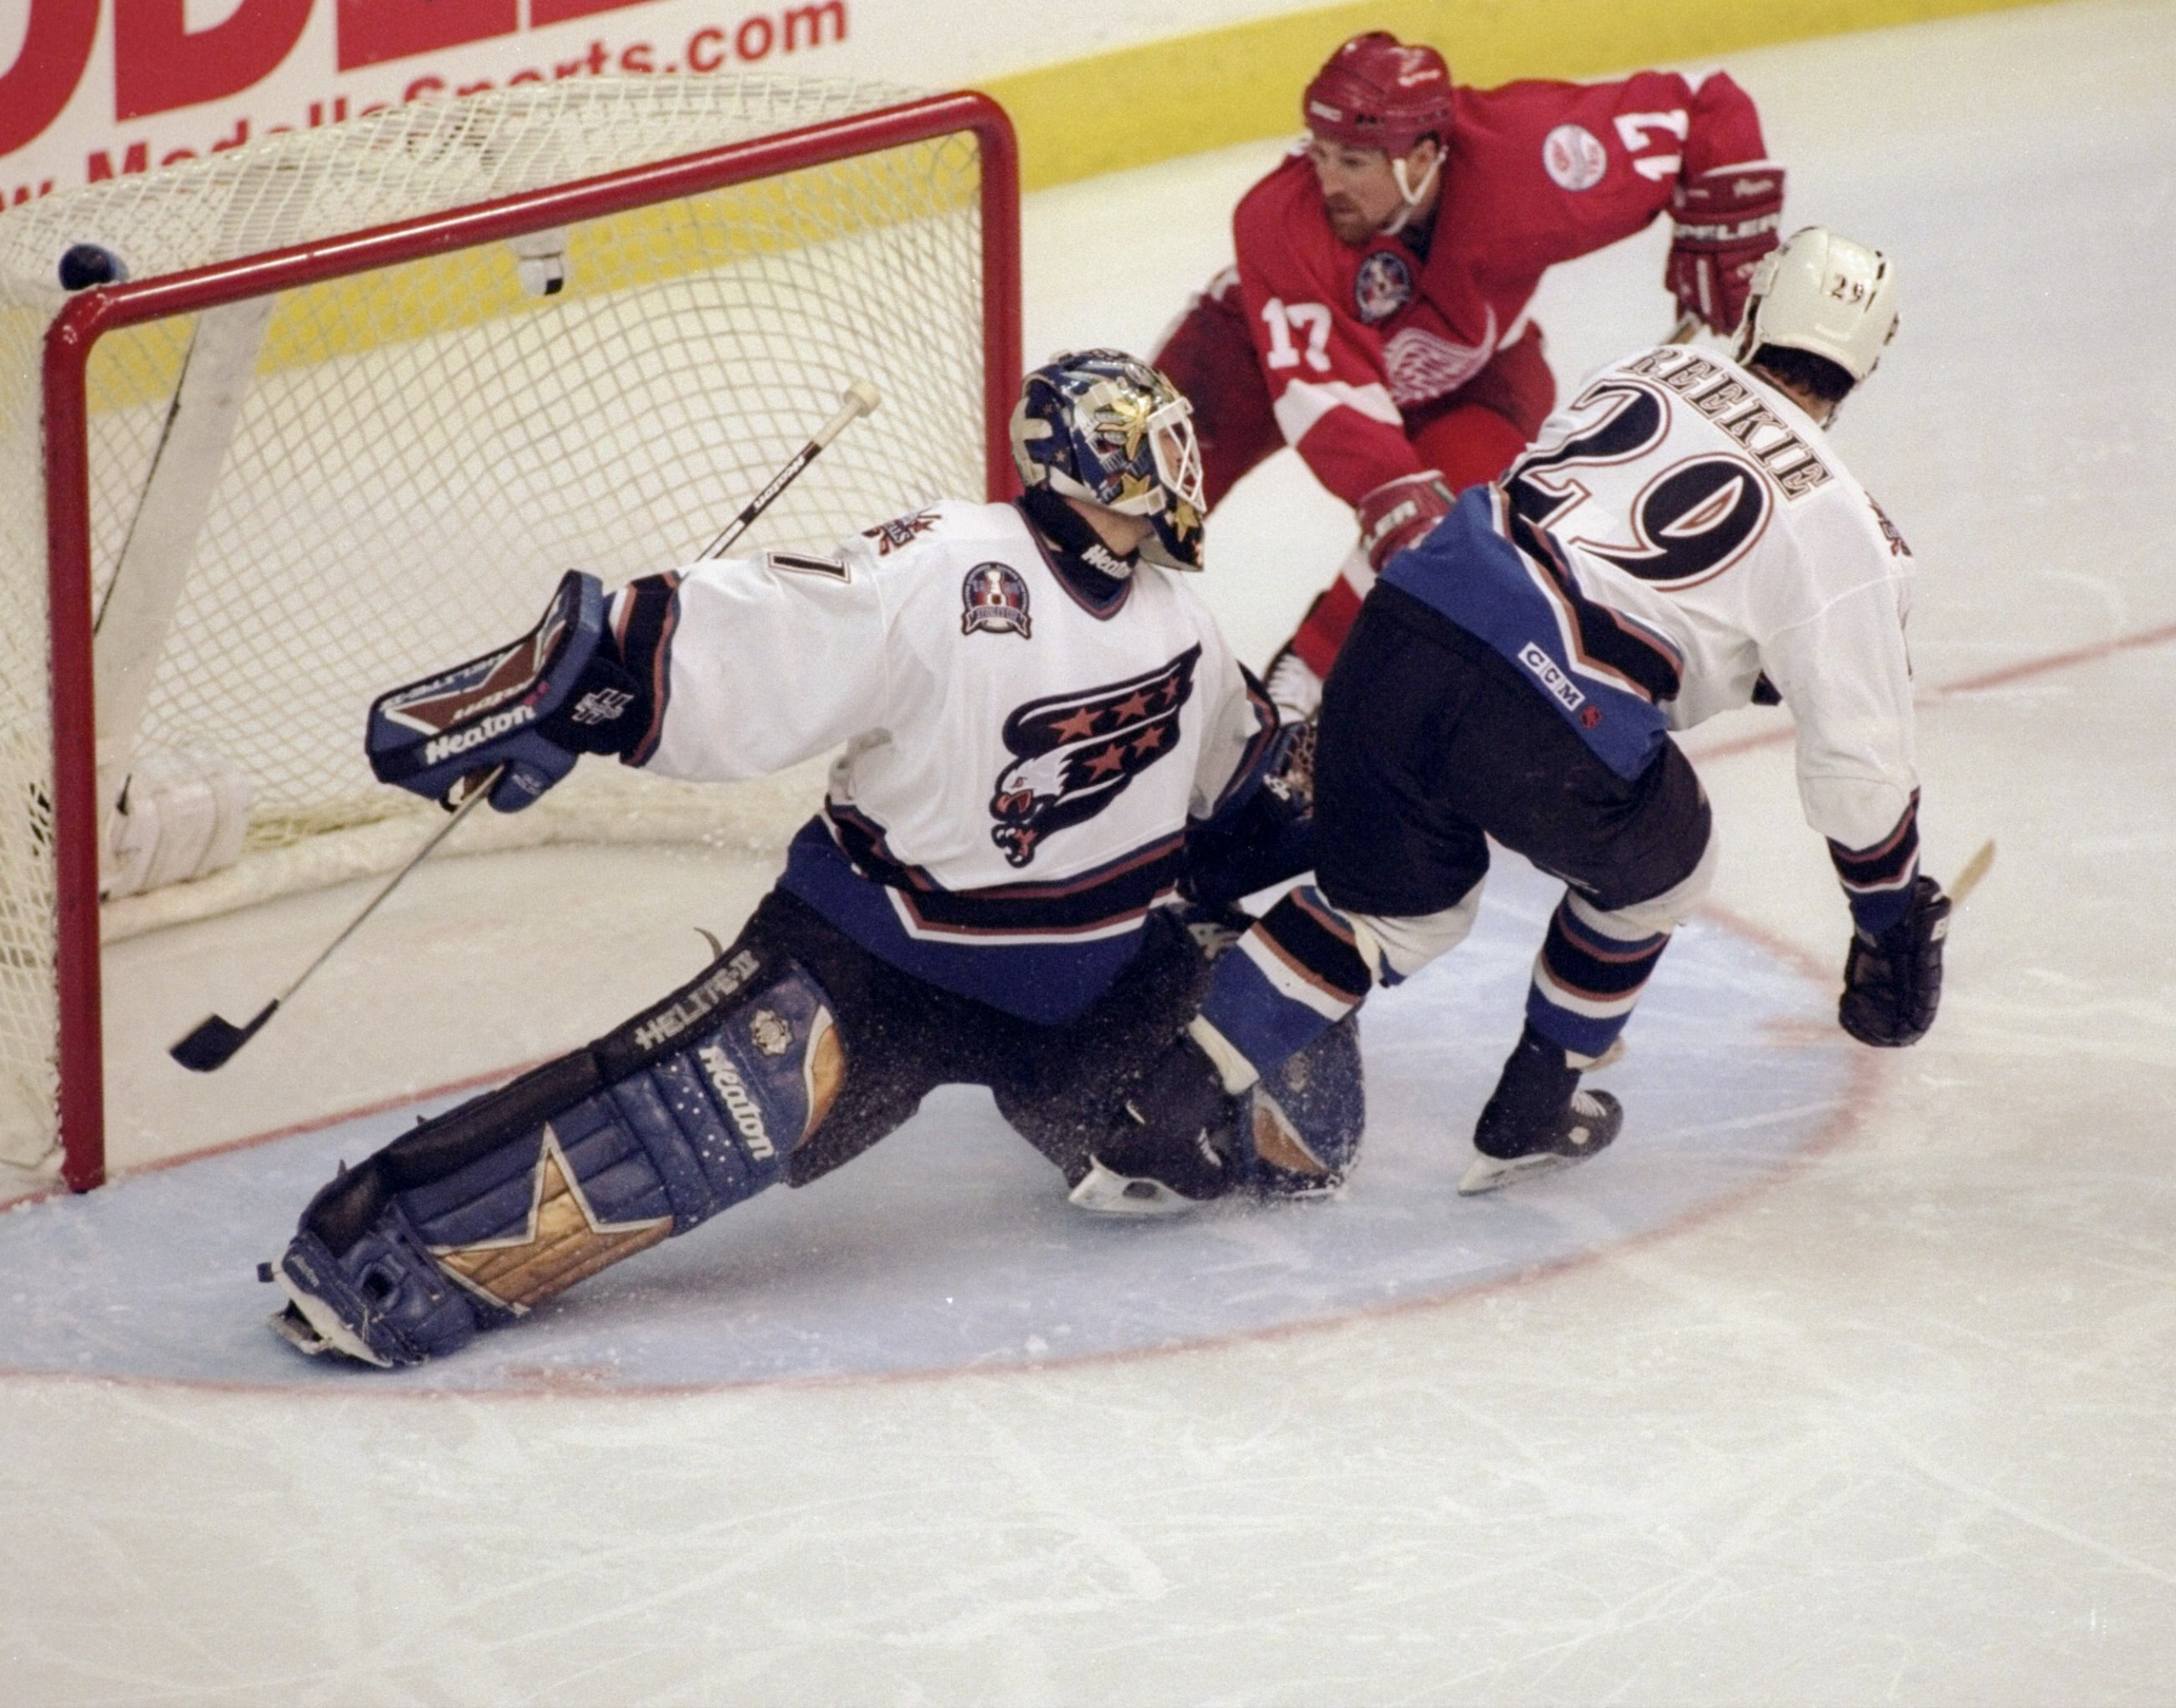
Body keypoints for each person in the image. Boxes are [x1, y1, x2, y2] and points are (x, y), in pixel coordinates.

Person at [260, 351, 1355, 1369]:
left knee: (1289, 1128)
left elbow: (1241, 798)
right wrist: (608, 669)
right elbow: (789, 624)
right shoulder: (954, 562)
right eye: (1158, 447)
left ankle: (1087, 1085)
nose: (1181, 471)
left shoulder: (1181, 623)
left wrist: (1352, 798)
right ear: (1093, 458)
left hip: (1082, 987)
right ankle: (381, 1254)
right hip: (880, 968)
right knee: (691, 1118)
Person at [1093, 229, 1953, 1208]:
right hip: (1556, 710)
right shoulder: (1850, 531)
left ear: (1756, 313)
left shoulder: (1651, 370)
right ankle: (1534, 1109)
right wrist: (1887, 922)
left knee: (1391, 911)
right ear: (1869, 361)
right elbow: (1859, 774)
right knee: (1668, 866)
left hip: (1406, 621)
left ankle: (1155, 1120)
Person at [1152, 30, 1787, 719]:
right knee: (1134, 485)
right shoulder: (1278, 217)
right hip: (1248, 355)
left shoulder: (1530, 158)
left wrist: (1731, 225)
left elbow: (1703, 112)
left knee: (1476, 505)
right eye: (1321, 152)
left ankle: (1309, 675)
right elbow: (1331, 399)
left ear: (1424, 157)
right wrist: (1395, 501)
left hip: (1467, 370)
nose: (1327, 180)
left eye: (1353, 160)